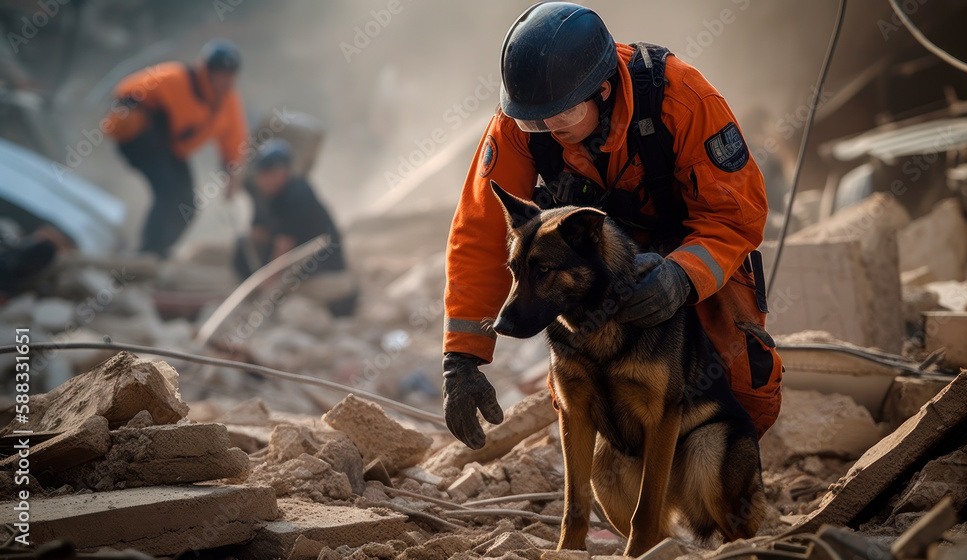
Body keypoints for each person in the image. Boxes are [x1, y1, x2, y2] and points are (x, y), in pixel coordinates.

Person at [441, 2, 783, 450]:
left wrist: (681, 276)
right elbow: (481, 236)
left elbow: (736, 215)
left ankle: (714, 489)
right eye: (534, 121)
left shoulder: (683, 98)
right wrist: (461, 359)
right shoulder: (523, 122)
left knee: (740, 383)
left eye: (561, 115)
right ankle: (629, 480)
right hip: (593, 266)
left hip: (690, 251)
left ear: (603, 91)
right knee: (587, 391)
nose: (547, 128)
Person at [106, 39, 248, 257]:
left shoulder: (228, 102)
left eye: (230, 74)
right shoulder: (175, 78)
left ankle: (160, 250)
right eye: (220, 72)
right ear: (207, 70)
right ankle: (146, 252)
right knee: (169, 194)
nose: (225, 79)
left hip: (171, 150)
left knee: (187, 206)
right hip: (141, 140)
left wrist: (232, 174)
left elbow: (233, 138)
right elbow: (125, 91)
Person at [235, 139, 357, 316]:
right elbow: (259, 233)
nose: (260, 180)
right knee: (242, 246)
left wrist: (264, 284)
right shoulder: (268, 196)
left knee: (282, 302)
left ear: (280, 172)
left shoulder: (297, 194)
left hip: (320, 267)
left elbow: (284, 246)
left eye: (264, 174)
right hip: (296, 262)